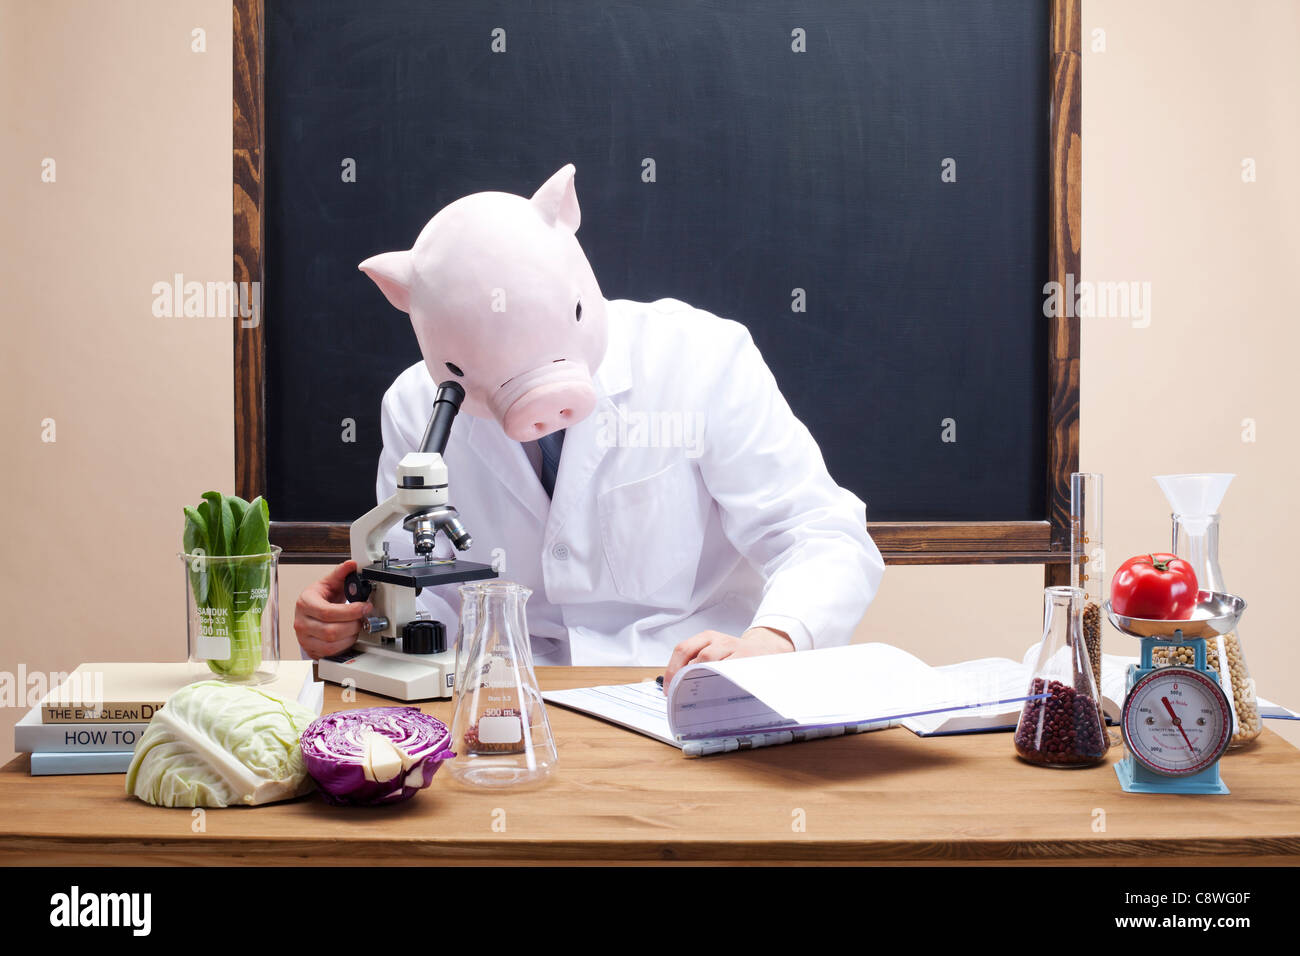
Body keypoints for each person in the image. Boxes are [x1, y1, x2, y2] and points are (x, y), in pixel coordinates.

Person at [294, 165, 884, 689]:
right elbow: (432, 597)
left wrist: (770, 644)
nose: (530, 396)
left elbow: (820, 535)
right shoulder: (416, 406)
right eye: (487, 369)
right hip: (508, 692)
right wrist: (359, 619)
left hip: (690, 682)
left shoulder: (701, 357)